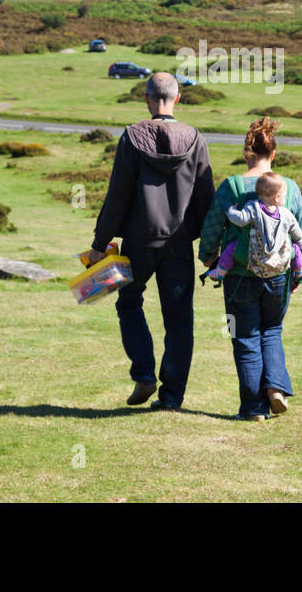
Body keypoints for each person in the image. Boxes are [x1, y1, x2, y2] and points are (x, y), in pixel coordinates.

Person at [88, 72, 214, 412]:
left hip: (138, 241)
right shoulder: (195, 138)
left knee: (129, 304)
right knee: (179, 320)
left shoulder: (131, 137)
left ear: (146, 99)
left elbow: (118, 196)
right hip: (179, 245)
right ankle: (171, 398)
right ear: (178, 99)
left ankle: (144, 374)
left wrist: (100, 243)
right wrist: (211, 249)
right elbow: (206, 197)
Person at [199, 118, 302, 420]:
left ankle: (253, 409)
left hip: (238, 277)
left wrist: (208, 257)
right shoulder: (288, 187)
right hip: (279, 277)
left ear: (247, 152)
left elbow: (211, 226)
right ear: (272, 154)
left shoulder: (232, 186)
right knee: (272, 331)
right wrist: (298, 273)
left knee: (246, 337)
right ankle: (275, 388)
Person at [210, 171, 302, 282]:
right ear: (277, 197)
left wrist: (231, 211)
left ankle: (220, 272)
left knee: (231, 248)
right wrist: (300, 243)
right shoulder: (287, 215)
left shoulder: (253, 207)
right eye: (284, 196)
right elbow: (297, 232)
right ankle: (299, 270)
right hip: (279, 258)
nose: (285, 198)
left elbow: (241, 219)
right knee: (294, 248)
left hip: (256, 256)